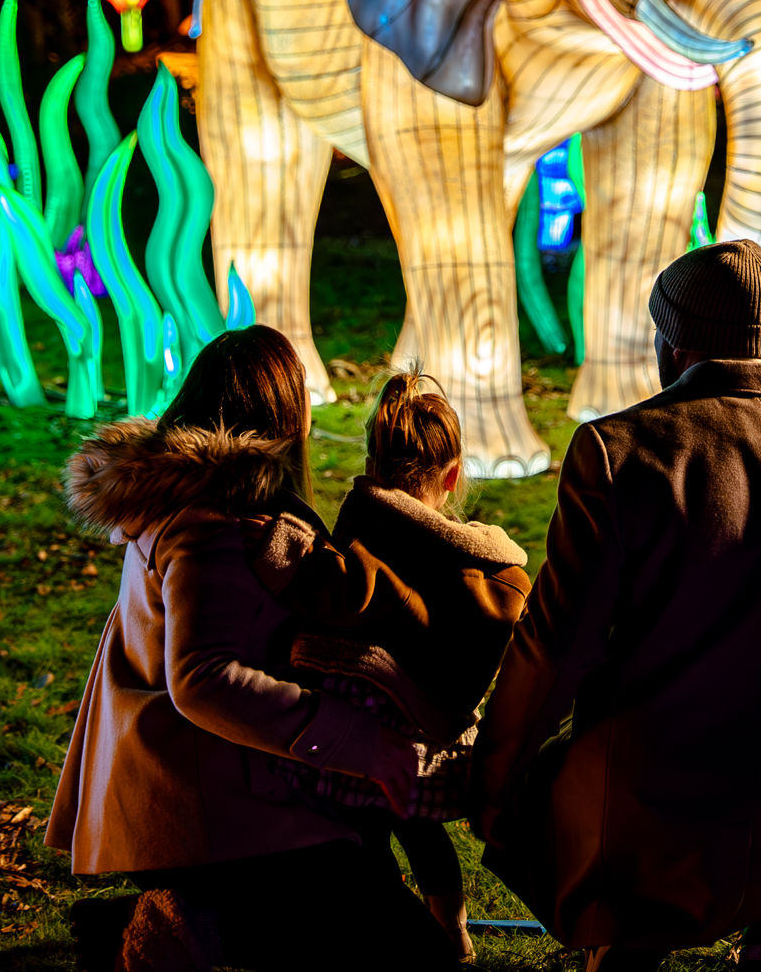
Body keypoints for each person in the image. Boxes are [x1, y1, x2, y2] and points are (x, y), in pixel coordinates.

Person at [469, 240, 761, 972]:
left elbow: (554, 650)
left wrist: (492, 774)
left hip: (650, 806)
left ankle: (627, 930)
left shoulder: (619, 450)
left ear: (671, 345)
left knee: (591, 763)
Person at [46, 325, 461, 971]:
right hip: (213, 811)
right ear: (281, 418)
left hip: (216, 790)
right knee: (412, 958)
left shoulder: (188, 502)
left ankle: (185, 918)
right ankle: (166, 925)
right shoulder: (207, 522)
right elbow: (202, 678)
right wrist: (360, 738)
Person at [260, 371, 533, 963]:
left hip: (345, 731)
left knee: (358, 835)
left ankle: (377, 926)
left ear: (372, 461)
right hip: (417, 741)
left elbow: (321, 590)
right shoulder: (483, 572)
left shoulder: (358, 537)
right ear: (453, 475)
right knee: (422, 835)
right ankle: (451, 932)